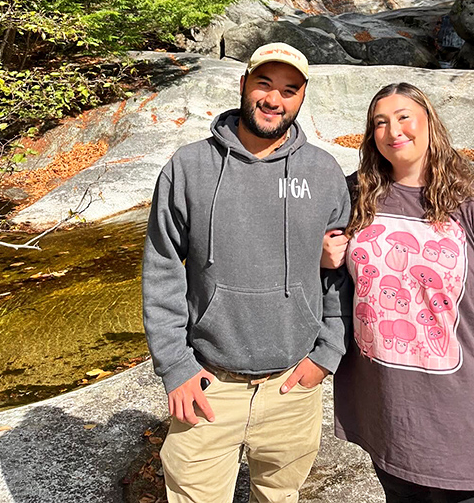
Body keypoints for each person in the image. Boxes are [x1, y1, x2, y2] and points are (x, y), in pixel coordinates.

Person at [142, 42, 351, 503]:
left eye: (289, 90)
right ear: (243, 85)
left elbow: (340, 272)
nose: (274, 100)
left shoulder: (322, 172)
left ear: (302, 98)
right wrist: (175, 367)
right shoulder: (188, 167)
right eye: (264, 84)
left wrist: (327, 354)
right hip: (208, 383)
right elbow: (162, 269)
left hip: (293, 386)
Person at [322, 82, 474, 503]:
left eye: (404, 117)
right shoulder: (355, 195)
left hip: (458, 416)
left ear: (430, 122)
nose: (393, 131)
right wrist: (319, 256)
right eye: (380, 123)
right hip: (384, 411)